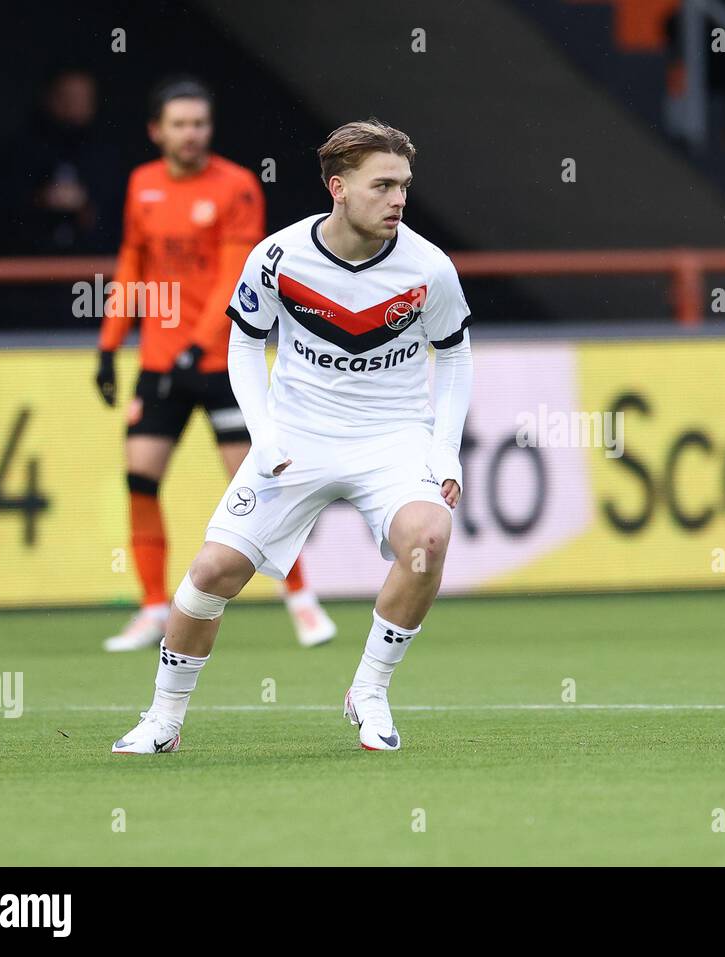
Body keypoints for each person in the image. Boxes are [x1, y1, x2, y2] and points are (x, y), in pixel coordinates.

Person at [111, 118, 473, 754]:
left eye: (404, 186)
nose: (398, 200)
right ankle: (163, 720)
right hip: (298, 438)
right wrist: (266, 435)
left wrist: (444, 449)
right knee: (211, 573)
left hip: (392, 440)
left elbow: (456, 356)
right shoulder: (279, 256)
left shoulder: (430, 268)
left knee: (430, 536)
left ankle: (370, 689)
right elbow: (245, 344)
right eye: (383, 185)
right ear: (338, 187)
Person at [96, 77, 336, 652]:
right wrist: (109, 344)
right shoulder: (142, 185)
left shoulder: (236, 187)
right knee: (140, 479)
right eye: (179, 124)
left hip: (223, 361)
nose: (190, 134)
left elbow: (238, 276)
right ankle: (153, 606)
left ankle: (301, 600)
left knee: (256, 482)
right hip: (158, 364)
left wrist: (194, 345)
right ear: (157, 130)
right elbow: (132, 263)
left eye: (199, 123)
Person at [10, 67, 123, 253]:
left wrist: (86, 205)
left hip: (93, 262)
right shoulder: (23, 149)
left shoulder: (106, 153)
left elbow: (115, 215)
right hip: (34, 259)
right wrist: (41, 199)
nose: (73, 107)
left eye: (82, 99)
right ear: (50, 99)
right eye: (67, 98)